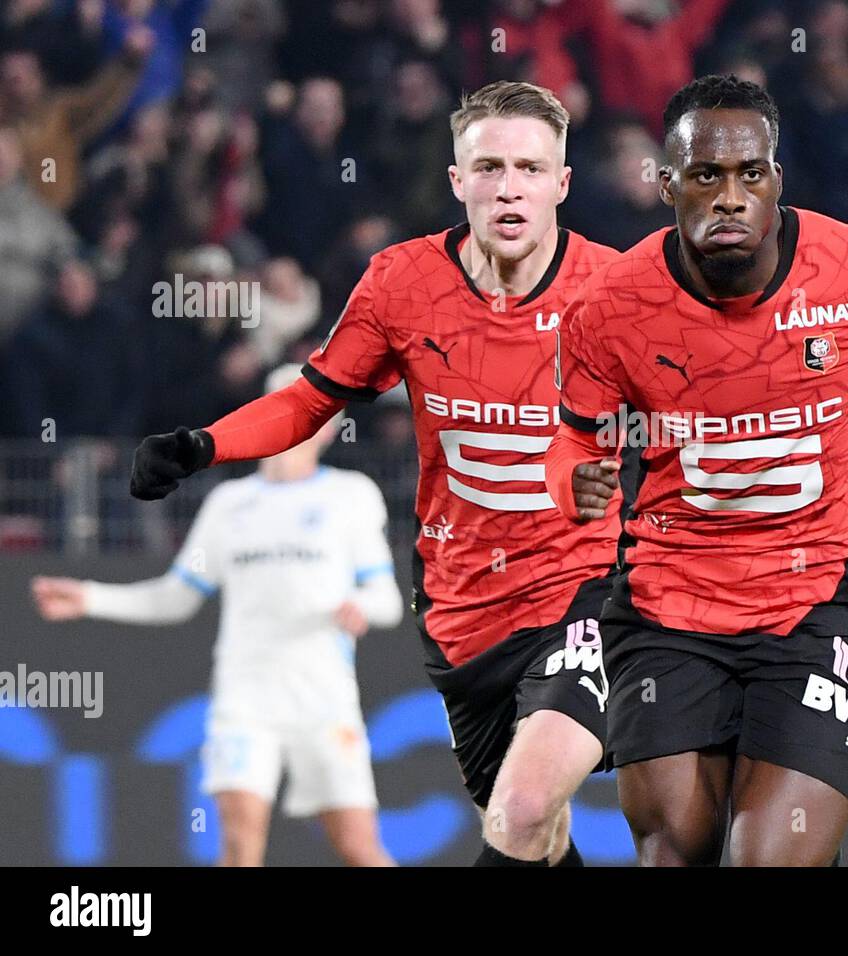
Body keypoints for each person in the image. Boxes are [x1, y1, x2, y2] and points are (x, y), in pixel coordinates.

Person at [127, 81, 622, 867]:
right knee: (535, 834)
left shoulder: (617, 291)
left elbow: (689, 418)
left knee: (525, 805)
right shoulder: (402, 284)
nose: (508, 187)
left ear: (562, 182)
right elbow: (309, 400)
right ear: (458, 182)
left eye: (529, 168)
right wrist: (201, 446)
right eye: (488, 167)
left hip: (585, 589)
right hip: (463, 606)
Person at [544, 74, 848, 866]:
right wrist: (576, 482)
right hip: (668, 609)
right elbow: (573, 446)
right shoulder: (608, 309)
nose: (729, 197)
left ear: (776, 181)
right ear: (667, 186)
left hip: (820, 602)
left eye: (748, 174)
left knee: (768, 857)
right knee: (676, 850)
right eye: (705, 176)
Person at [32, 363, 402, 866]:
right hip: (245, 700)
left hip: (324, 699)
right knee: (237, 845)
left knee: (359, 848)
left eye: (311, 412)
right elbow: (178, 596)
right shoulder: (230, 504)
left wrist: (360, 606)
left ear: (330, 425)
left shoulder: (349, 496)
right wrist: (92, 598)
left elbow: (387, 599)